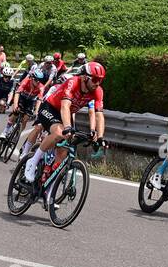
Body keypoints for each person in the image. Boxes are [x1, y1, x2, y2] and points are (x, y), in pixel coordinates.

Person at [20, 62, 106, 192]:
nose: (97, 83)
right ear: (84, 77)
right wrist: (67, 127)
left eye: (100, 80)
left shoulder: (98, 91)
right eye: (95, 79)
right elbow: (65, 106)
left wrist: (100, 137)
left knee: (63, 151)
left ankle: (49, 192)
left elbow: (99, 115)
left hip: (66, 114)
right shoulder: (73, 82)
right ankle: (33, 161)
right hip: (50, 108)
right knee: (60, 132)